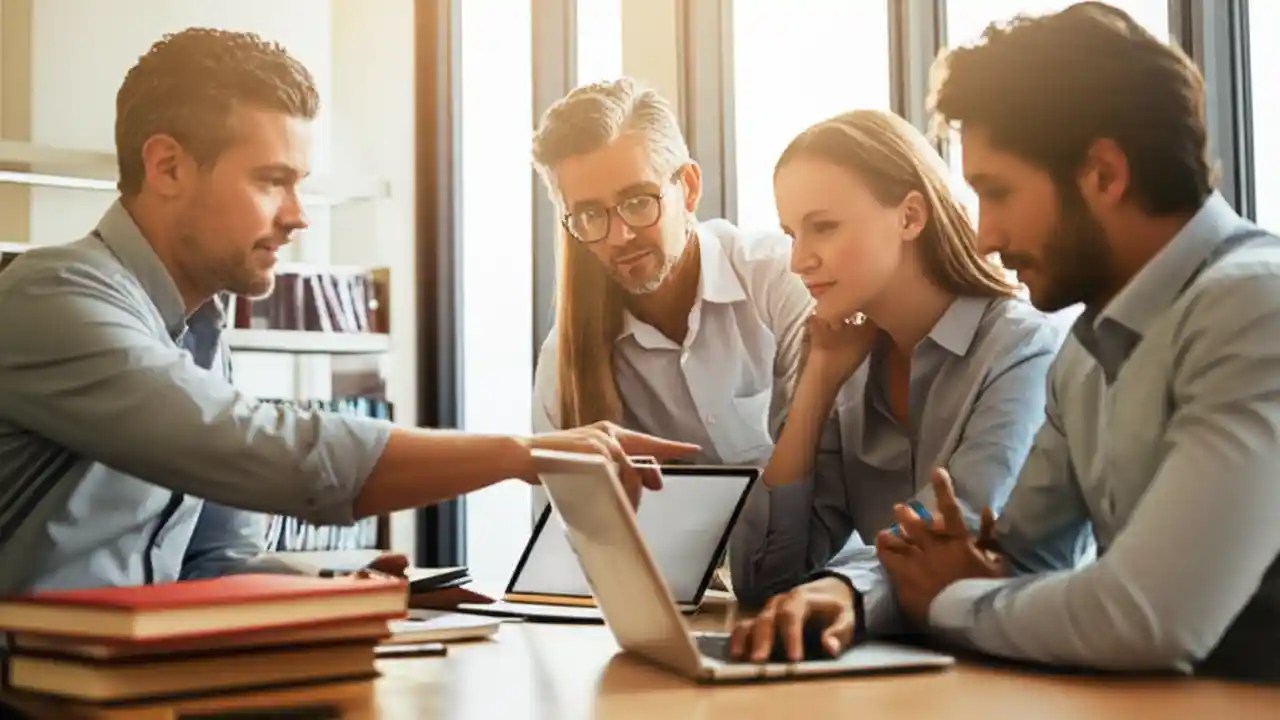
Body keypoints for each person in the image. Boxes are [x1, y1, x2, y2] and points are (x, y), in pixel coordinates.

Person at [0, 29, 696, 595]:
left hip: (133, 686)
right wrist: (522, 455)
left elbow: (215, 561)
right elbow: (262, 451)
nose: (299, 216)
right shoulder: (52, 297)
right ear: (168, 167)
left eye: (300, 184)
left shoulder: (202, 331)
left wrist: (333, 581)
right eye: (272, 181)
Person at [754, 2, 1280, 681]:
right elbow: (1014, 553)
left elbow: (1148, 617)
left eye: (997, 193)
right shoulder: (1087, 353)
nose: (985, 236)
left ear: (1103, 175)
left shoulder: (1254, 306)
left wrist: (950, 601)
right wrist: (857, 589)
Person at [725, 109, 1068, 660]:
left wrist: (843, 587)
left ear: (910, 216)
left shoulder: (1021, 351)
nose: (798, 260)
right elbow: (763, 574)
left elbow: (949, 547)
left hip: (1024, 669)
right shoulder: (835, 358)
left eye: (824, 227)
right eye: (792, 233)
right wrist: (816, 385)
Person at [528, 78, 812, 520]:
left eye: (638, 201)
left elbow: (829, 480)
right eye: (589, 215)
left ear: (690, 187)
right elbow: (563, 541)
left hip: (818, 574)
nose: (620, 236)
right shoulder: (564, 360)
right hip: (672, 588)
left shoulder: (780, 279)